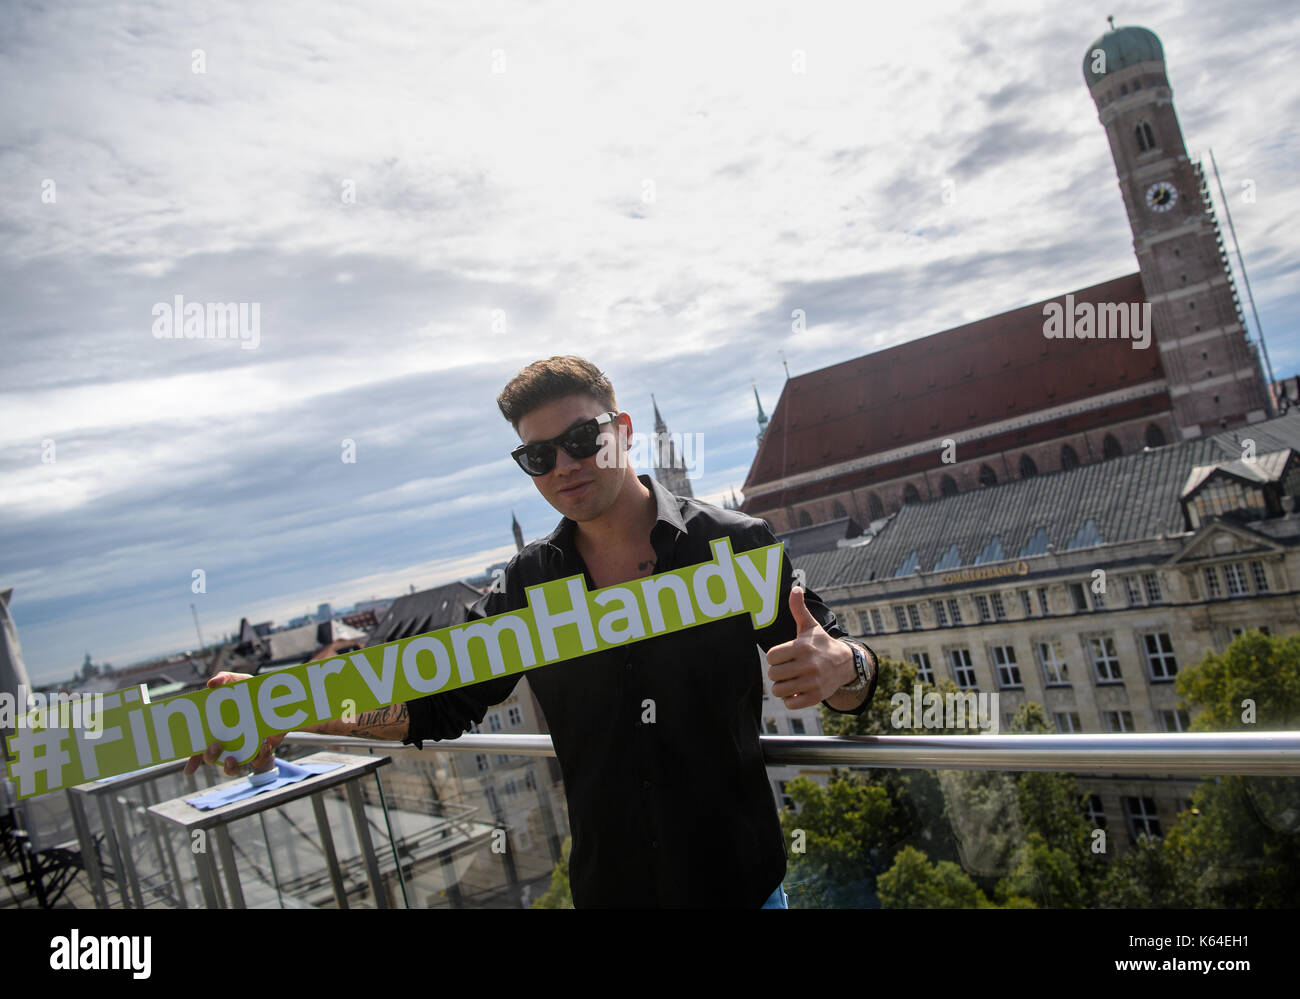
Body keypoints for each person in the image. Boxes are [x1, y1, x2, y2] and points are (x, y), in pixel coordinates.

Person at [187, 355, 880, 907]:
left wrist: (842, 667)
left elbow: (854, 681)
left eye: (582, 439)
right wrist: (283, 700)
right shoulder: (530, 585)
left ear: (625, 429)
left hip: (742, 889)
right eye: (538, 456)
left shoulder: (734, 545)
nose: (564, 465)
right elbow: (438, 702)